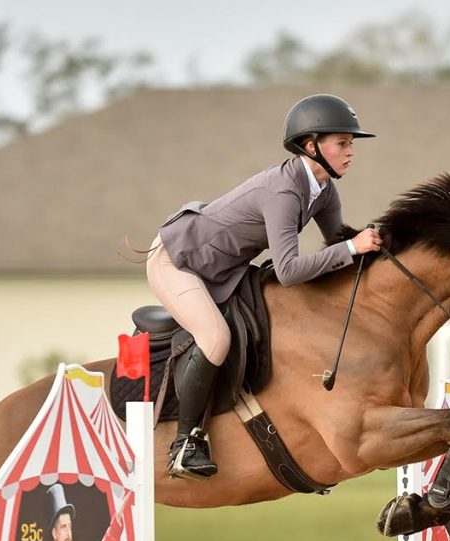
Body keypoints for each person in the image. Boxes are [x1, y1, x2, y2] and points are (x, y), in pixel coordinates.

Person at [146, 93, 384, 479]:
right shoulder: (284, 191)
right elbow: (289, 270)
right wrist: (351, 248)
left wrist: (376, 248)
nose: (350, 151)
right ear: (311, 146)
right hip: (177, 260)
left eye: (350, 143)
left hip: (224, 268)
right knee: (215, 337)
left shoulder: (324, 190)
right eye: (342, 142)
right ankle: (185, 444)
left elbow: (339, 243)